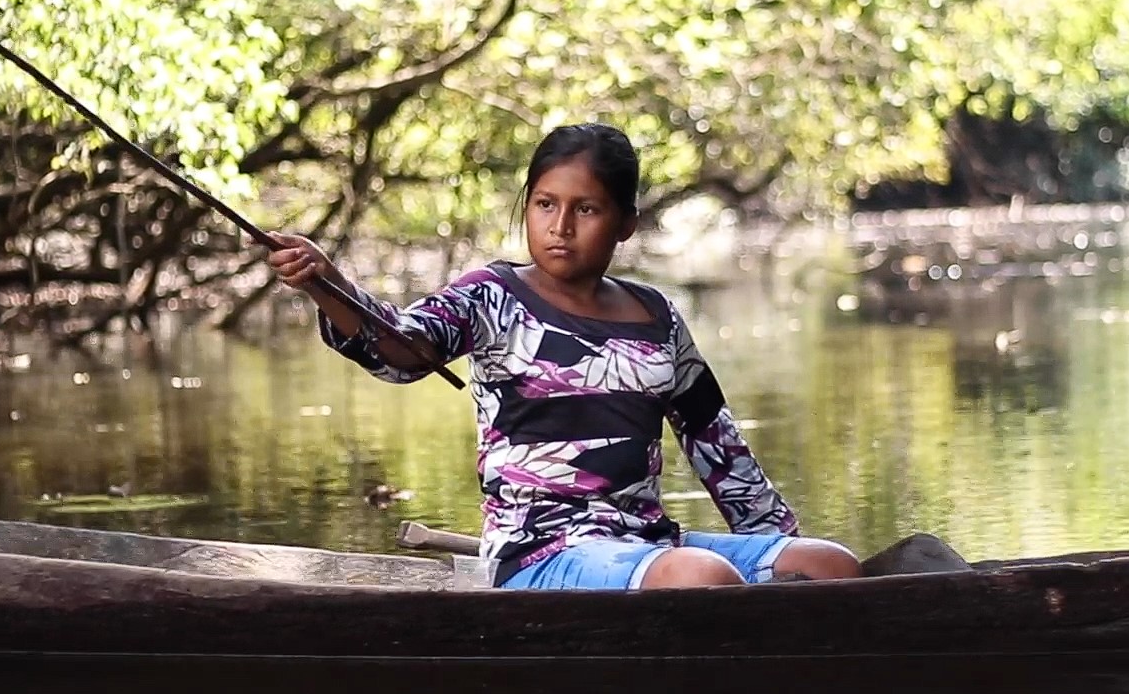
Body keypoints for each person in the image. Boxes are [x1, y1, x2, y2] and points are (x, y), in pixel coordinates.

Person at [266, 122, 862, 590]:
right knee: (703, 579)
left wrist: (779, 553)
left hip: (647, 543)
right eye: (545, 205)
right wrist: (327, 284)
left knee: (830, 565)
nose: (560, 227)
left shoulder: (656, 315)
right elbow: (401, 351)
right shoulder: (491, 297)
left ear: (625, 224)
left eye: (587, 209)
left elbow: (719, 445)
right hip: (540, 553)